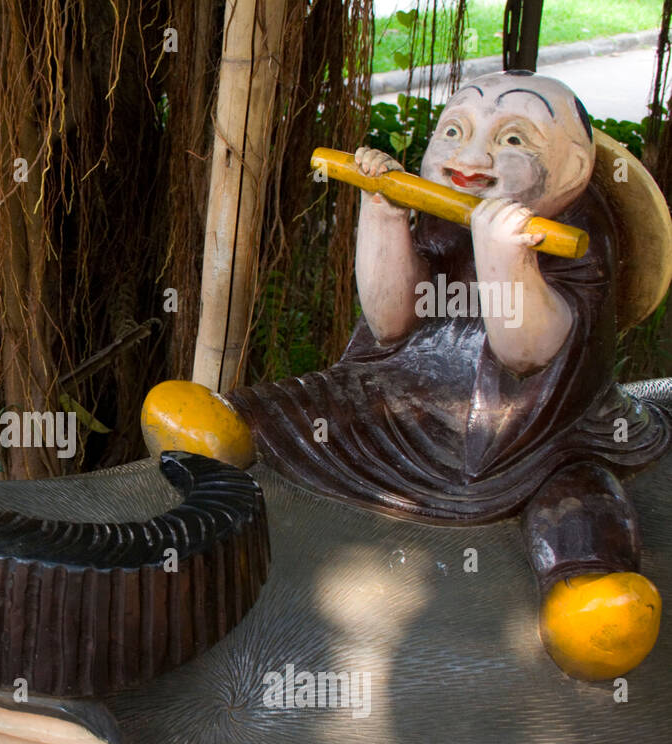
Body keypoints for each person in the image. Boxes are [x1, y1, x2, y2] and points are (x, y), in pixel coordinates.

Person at [142, 71, 670, 680]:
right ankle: (240, 422)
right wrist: (384, 214)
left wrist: (505, 257)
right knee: (333, 399)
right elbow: (392, 322)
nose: (471, 157)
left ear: (574, 168)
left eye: (514, 139)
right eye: (454, 131)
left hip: (533, 428)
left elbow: (527, 352)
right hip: (411, 383)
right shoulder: (440, 209)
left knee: (577, 493)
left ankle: (585, 589)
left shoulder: (582, 239)